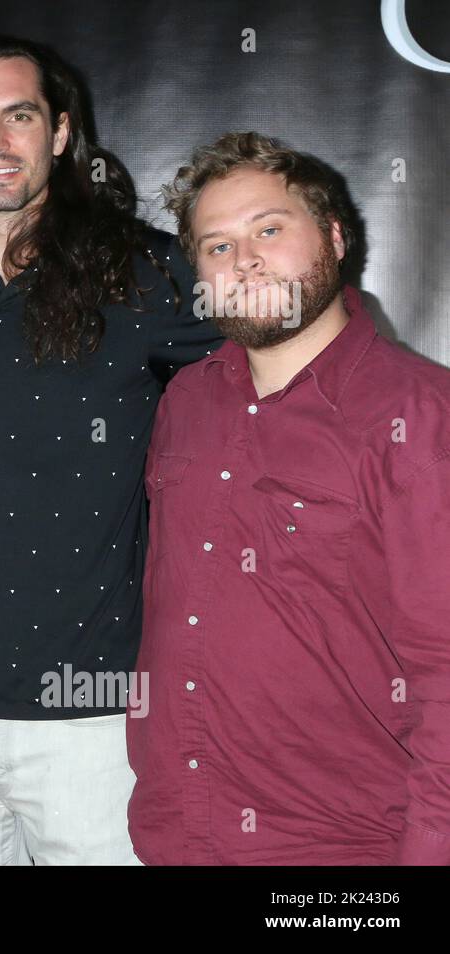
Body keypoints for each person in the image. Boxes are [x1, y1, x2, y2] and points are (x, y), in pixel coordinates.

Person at [0, 35, 222, 865]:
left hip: (93, 720)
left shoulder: (146, 275)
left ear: (62, 133)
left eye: (18, 117)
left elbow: (271, 386)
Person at [128, 131, 450, 865]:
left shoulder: (422, 418)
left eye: (269, 230)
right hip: (177, 835)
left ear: (335, 236)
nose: (243, 260)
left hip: (342, 856)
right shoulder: (186, 400)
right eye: (216, 246)